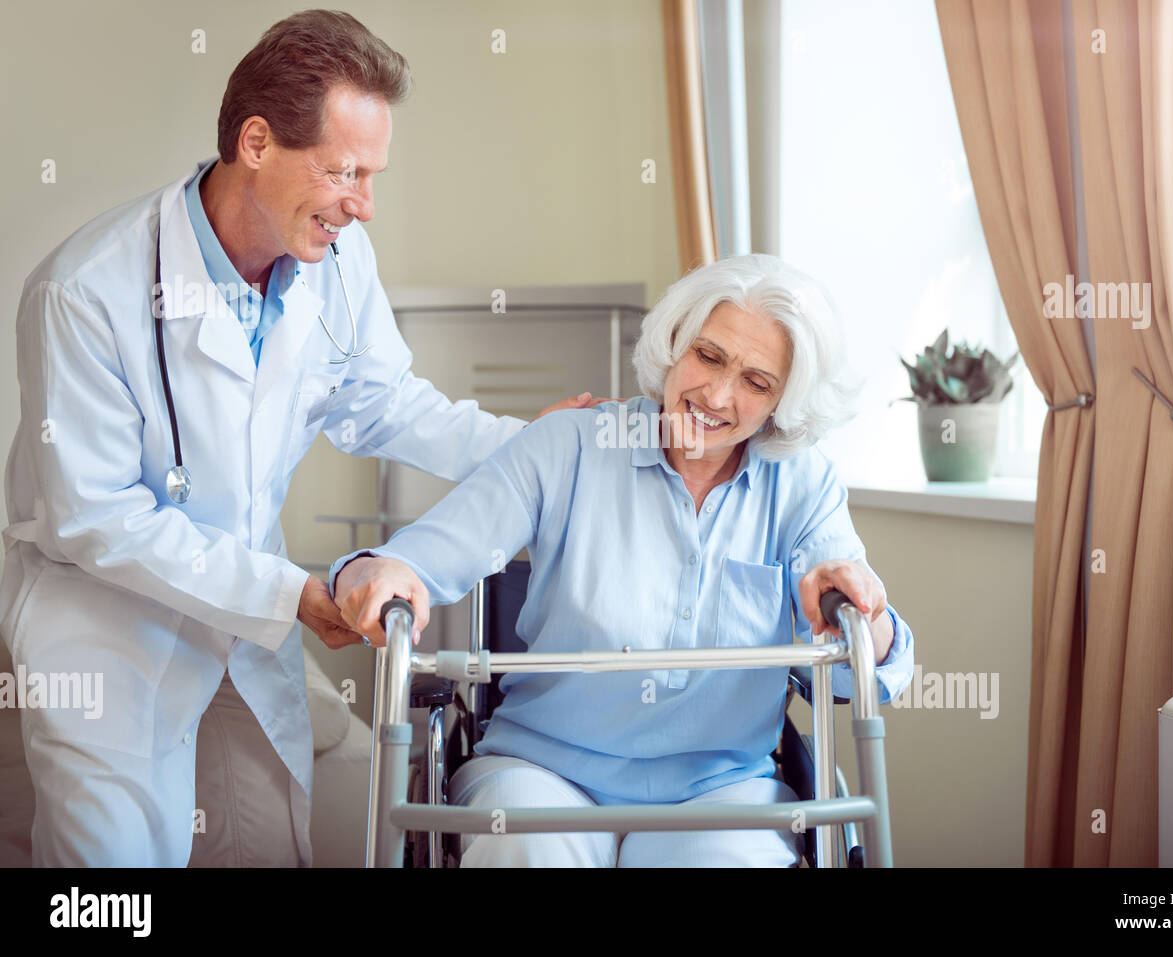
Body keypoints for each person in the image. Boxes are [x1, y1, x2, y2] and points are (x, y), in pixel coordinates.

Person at [0, 9, 597, 867]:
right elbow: (100, 518)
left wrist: (533, 446)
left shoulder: (336, 262)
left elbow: (389, 404)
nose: (364, 205)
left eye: (373, 174)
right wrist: (293, 595)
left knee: (266, 842)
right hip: (108, 621)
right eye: (344, 171)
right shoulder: (84, 290)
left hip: (250, 611)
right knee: (114, 868)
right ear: (255, 143)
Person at [332, 253, 916, 867]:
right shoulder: (569, 446)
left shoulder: (803, 484)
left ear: (782, 404)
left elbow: (860, 668)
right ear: (673, 343)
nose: (716, 395)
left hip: (720, 789)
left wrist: (864, 615)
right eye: (708, 356)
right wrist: (380, 571)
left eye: (756, 382)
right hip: (543, 770)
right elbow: (422, 559)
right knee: (530, 854)